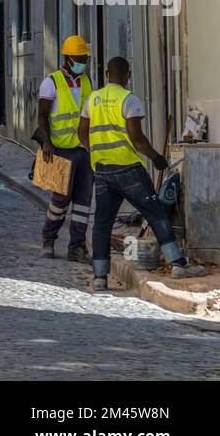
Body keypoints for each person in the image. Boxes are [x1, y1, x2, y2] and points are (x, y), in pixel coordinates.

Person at [78, 56, 206, 292]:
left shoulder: (91, 100)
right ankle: (177, 264)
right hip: (129, 170)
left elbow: (82, 134)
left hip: (103, 170)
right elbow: (138, 140)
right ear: (127, 75)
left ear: (107, 75)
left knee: (102, 224)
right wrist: (157, 158)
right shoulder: (130, 100)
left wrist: (94, 153)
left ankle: (99, 277)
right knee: (156, 213)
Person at [36, 35, 94, 261]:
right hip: (60, 149)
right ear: (68, 58)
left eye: (84, 58)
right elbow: (42, 115)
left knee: (83, 200)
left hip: (83, 149)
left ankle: (77, 246)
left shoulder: (87, 82)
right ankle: (48, 238)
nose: (82, 61)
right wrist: (47, 142)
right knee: (60, 199)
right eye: (79, 58)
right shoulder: (51, 82)